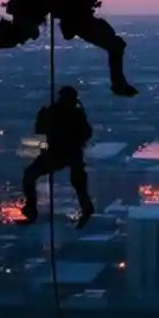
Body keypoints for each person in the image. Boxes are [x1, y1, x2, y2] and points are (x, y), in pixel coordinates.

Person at [53, 0, 138, 97]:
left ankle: (118, 84)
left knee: (117, 45)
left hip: (85, 23)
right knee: (116, 46)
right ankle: (118, 84)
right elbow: (74, 5)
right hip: (84, 25)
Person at [20, 85, 95, 229]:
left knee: (30, 175)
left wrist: (44, 152)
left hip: (59, 153)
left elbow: (41, 135)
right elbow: (86, 134)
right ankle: (86, 208)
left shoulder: (55, 113)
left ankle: (31, 210)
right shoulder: (71, 113)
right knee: (78, 181)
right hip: (66, 153)